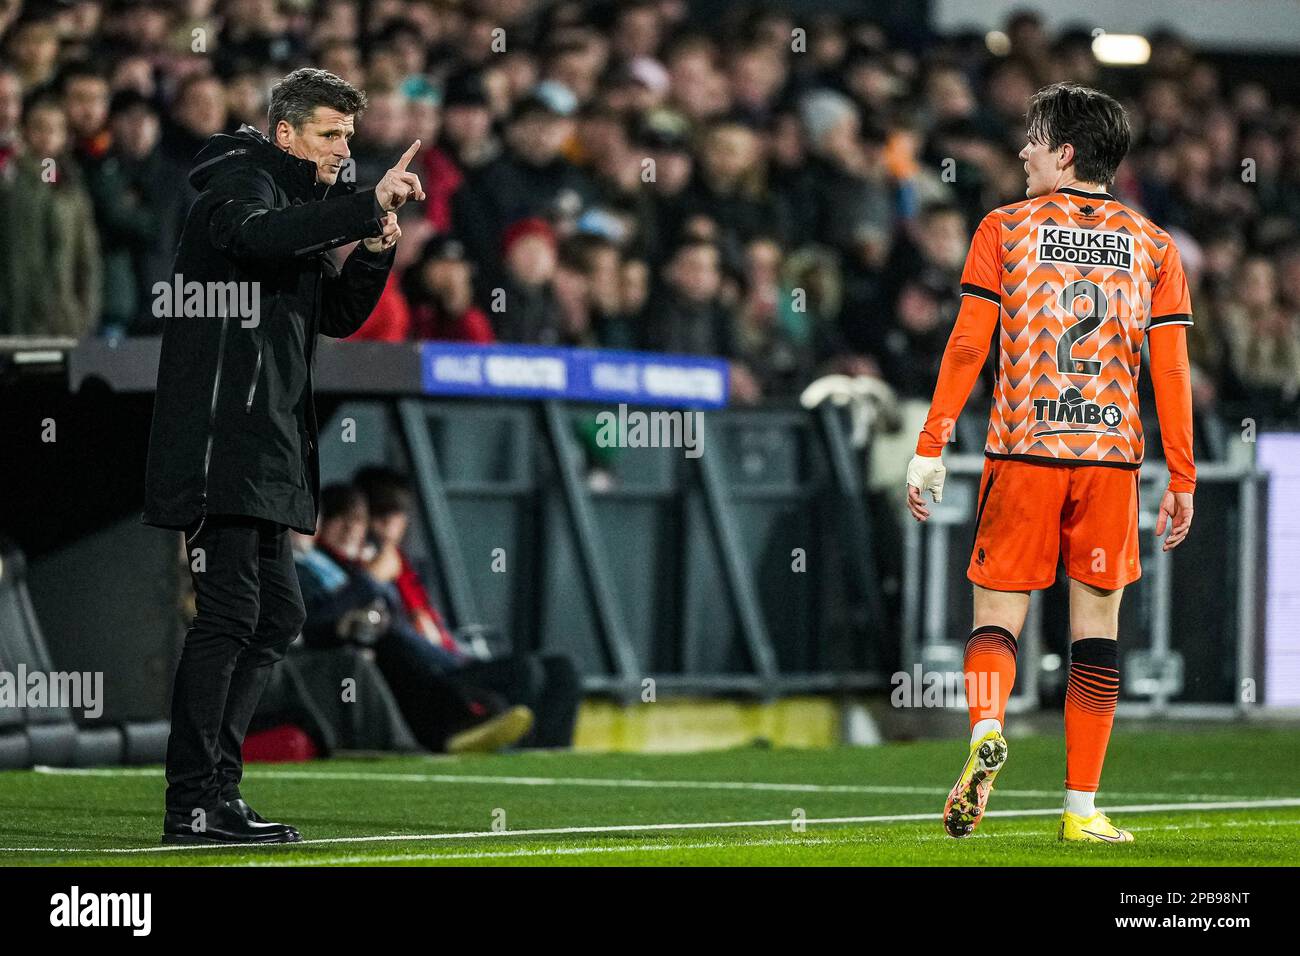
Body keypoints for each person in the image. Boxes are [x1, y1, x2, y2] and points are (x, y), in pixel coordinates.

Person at [142, 67, 426, 846]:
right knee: (234, 613)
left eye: (349, 137)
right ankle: (194, 804)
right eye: (331, 134)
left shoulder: (297, 206)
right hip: (220, 439)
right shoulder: (238, 181)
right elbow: (254, 238)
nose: (343, 150)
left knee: (277, 612)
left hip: (265, 441)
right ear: (286, 134)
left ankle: (216, 796)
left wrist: (371, 245)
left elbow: (334, 314)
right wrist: (360, 206)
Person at [906, 83, 1196, 844]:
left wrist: (931, 443)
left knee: (998, 616)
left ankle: (986, 730)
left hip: (1022, 449)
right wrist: (1184, 475)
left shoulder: (1003, 228)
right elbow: (1171, 374)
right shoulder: (1158, 245)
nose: (1023, 151)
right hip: (1109, 459)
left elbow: (968, 344)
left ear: (1065, 153)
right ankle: (1081, 812)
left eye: (1033, 139)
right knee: (1094, 633)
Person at [297, 484, 535, 754]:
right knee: (391, 640)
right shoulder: (307, 566)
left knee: (548, 670)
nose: (351, 528)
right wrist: (371, 582)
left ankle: (537, 746)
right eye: (341, 518)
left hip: (434, 658)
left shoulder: (360, 565)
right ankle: (455, 728)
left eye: (358, 520)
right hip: (350, 656)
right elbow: (313, 619)